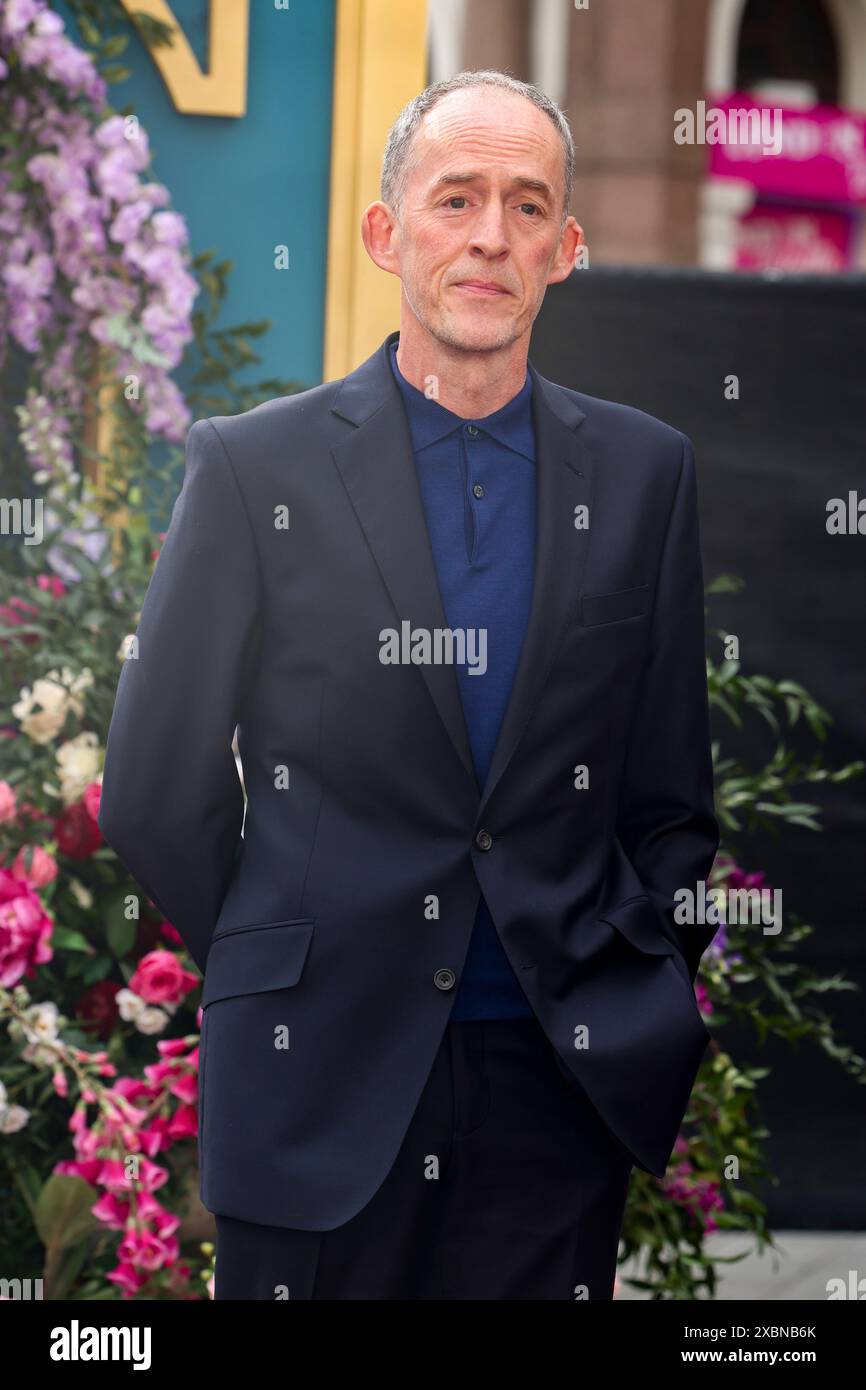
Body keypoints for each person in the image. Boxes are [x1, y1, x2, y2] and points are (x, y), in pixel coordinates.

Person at [98, 69, 720, 1300]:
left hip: (554, 1090)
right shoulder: (250, 467)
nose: (491, 234)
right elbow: (155, 788)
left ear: (565, 248)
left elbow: (669, 797)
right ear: (387, 232)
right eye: (456, 198)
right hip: (312, 1081)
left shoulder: (645, 473)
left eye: (527, 205)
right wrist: (282, 950)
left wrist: (632, 973)